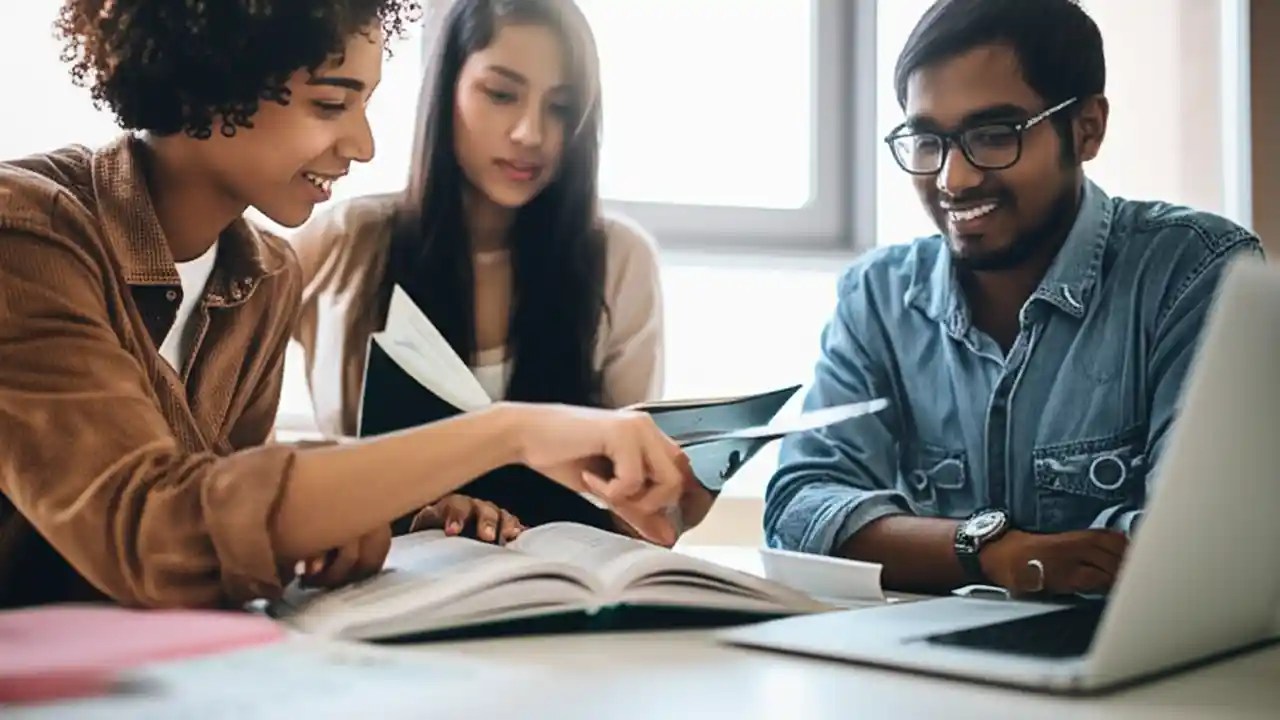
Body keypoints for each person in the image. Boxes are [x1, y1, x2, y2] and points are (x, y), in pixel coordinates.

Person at [0, 0, 691, 611]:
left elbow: (224, 527)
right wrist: (508, 431)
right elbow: (159, 534)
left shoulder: (263, 277)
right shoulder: (27, 231)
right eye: (331, 104)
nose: (364, 146)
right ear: (213, 80)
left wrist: (366, 523)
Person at [764, 0, 1264, 597]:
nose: (954, 179)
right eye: (928, 141)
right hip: (925, 661)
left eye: (993, 136)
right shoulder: (879, 296)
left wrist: (918, 546)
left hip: (1129, 668)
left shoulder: (1193, 271)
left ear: (1087, 129)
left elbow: (1197, 542)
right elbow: (800, 508)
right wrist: (989, 552)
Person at [289, 0, 713, 543]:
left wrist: (667, 497)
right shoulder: (348, 239)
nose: (530, 133)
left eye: (561, 108)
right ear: (446, 90)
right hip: (384, 581)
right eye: (501, 94)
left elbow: (631, 511)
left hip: (559, 588)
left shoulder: (618, 260)